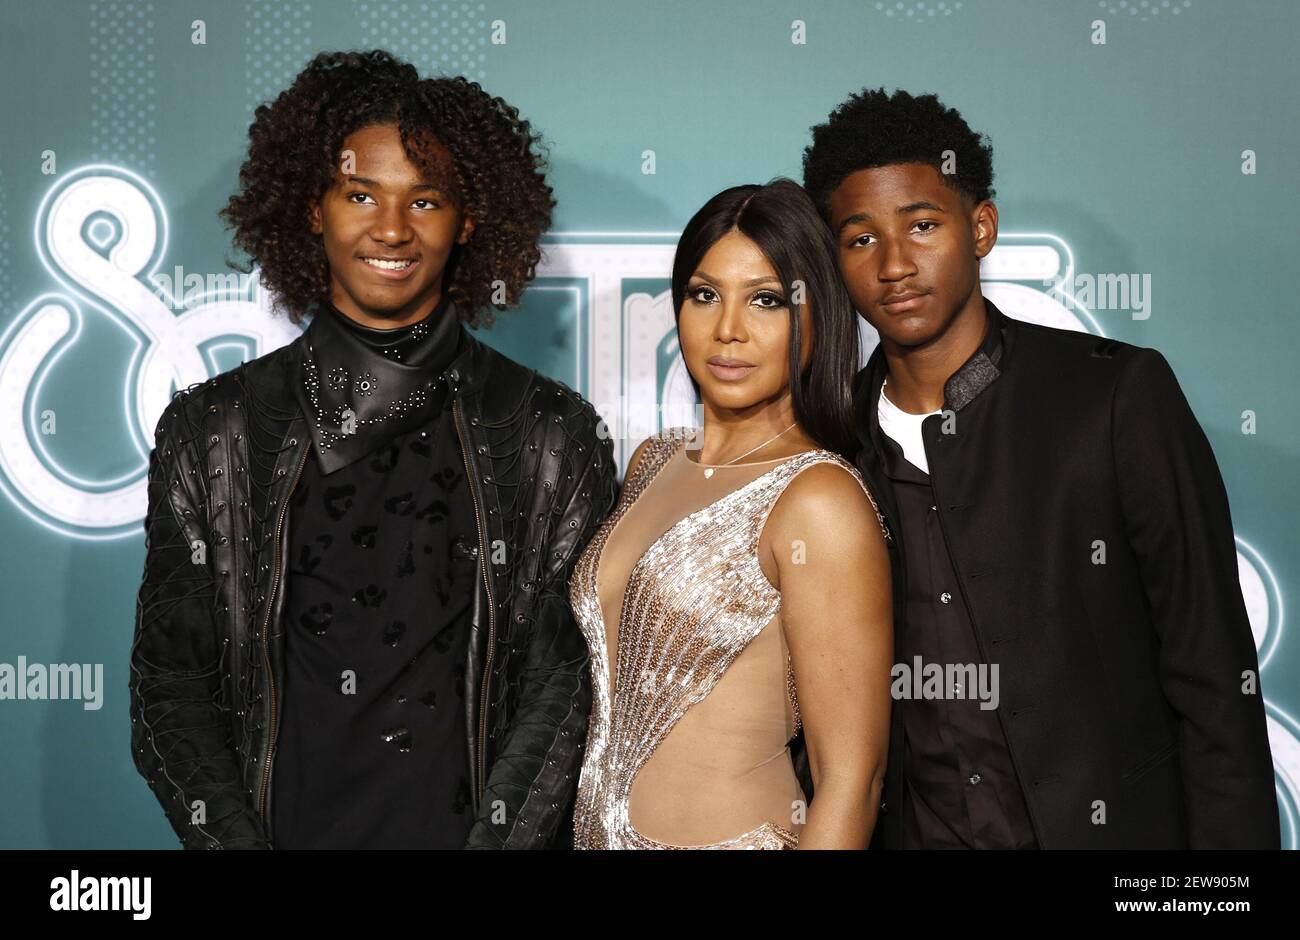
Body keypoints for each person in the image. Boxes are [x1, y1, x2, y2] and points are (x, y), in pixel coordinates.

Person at [129, 49, 616, 849]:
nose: (391, 229)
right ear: (311, 208)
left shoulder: (550, 433)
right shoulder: (211, 429)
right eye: (361, 194)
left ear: (469, 222)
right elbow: (170, 687)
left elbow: (563, 689)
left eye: (425, 200)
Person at [802, 87, 1280, 849]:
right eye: (859, 240)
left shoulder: (1114, 397)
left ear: (981, 227)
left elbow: (1214, 681)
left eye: (923, 225)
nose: (894, 264)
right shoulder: (827, 450)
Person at [569, 179, 894, 849]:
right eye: (704, 294)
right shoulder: (653, 463)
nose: (727, 330)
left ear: (815, 315)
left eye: (766, 301)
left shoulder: (819, 501)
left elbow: (852, 781)